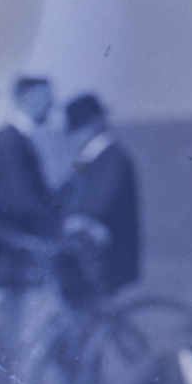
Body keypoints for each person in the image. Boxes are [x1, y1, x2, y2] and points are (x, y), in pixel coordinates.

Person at [0, 75, 61, 384]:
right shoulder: (11, 140)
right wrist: (58, 223)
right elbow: (21, 202)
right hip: (10, 265)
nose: (52, 104)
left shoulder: (11, 140)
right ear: (26, 98)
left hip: (7, 261)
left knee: (11, 348)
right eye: (45, 97)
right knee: (19, 346)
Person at [52, 93, 143, 309]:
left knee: (94, 319)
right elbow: (66, 190)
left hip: (103, 259)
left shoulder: (112, 158)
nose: (72, 137)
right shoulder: (90, 159)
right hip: (91, 257)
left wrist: (68, 218)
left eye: (75, 129)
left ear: (92, 124)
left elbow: (100, 204)